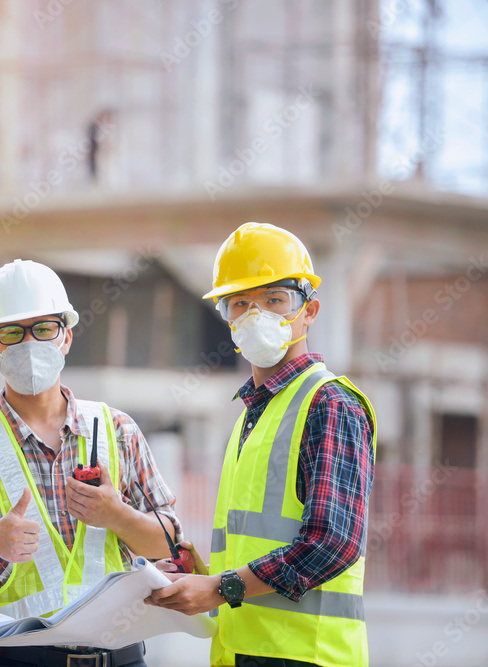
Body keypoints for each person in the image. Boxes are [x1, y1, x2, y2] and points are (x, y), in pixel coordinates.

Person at [0, 259, 181, 667]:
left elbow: (169, 541)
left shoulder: (117, 429)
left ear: (66, 338)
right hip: (22, 659)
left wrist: (118, 516)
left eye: (43, 329)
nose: (29, 343)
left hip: (123, 657)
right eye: (11, 332)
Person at [145, 223, 376, 667]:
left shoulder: (329, 403)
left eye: (275, 300)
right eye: (240, 303)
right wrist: (207, 575)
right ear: (227, 319)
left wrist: (219, 588)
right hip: (242, 652)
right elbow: (261, 542)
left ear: (309, 311)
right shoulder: (253, 413)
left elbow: (332, 542)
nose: (257, 315)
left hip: (307, 656)